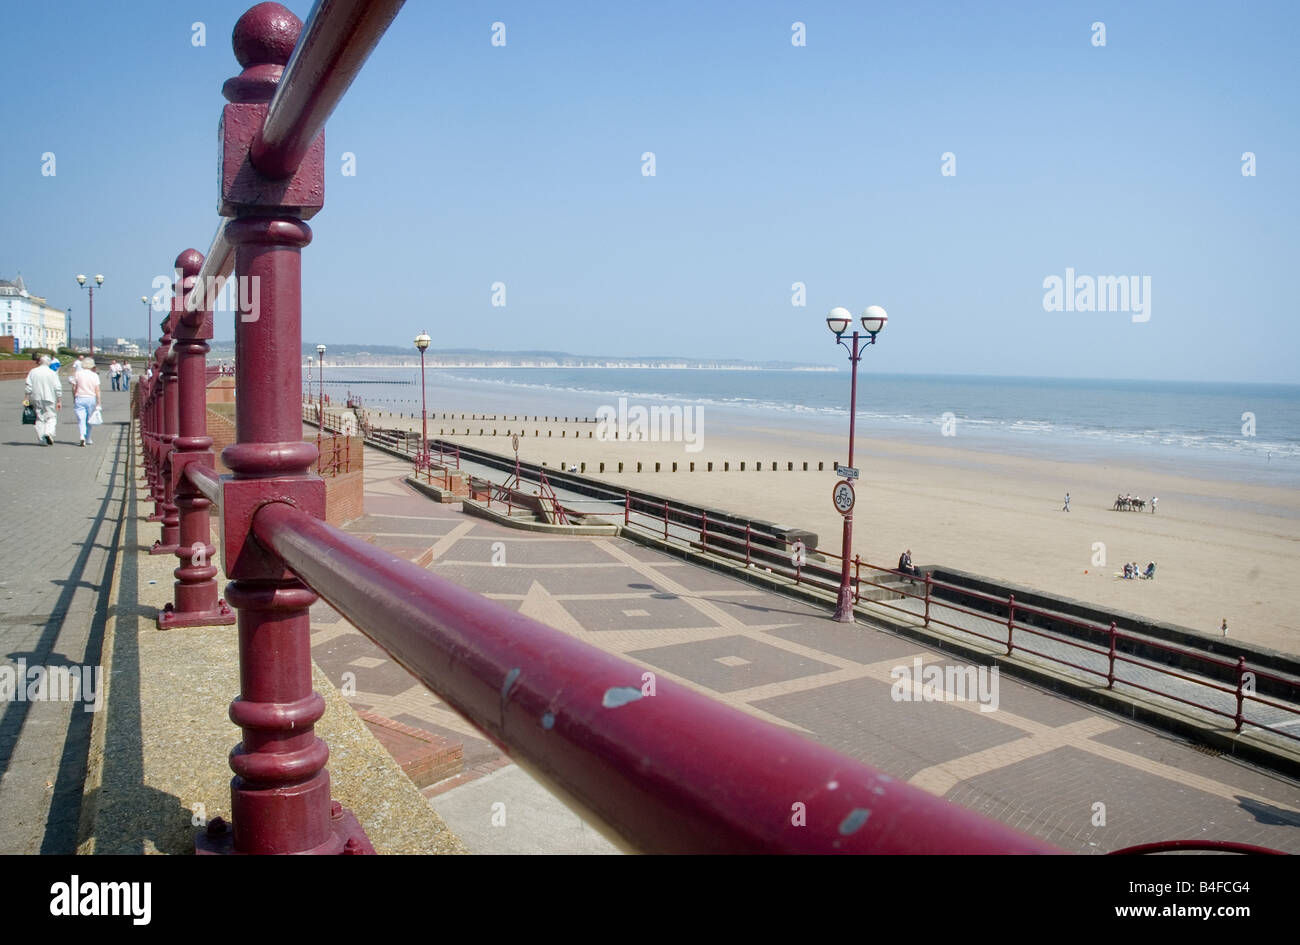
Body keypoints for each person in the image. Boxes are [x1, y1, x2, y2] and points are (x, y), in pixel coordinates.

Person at [24, 354, 63, 445]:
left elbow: (28, 386)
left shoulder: (33, 372)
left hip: (36, 397)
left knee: (39, 418)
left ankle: (42, 440)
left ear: (40, 362)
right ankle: (48, 432)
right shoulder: (52, 372)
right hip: (49, 398)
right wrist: (59, 400)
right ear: (49, 363)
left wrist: (26, 399)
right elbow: (57, 387)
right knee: (51, 417)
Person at [71, 357, 102, 446]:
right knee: (89, 419)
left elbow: (74, 387)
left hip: (79, 397)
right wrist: (99, 402)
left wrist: (74, 397)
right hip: (91, 398)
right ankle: (88, 437)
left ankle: (82, 436)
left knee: (81, 419)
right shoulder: (94, 375)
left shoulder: (77, 374)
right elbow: (97, 390)